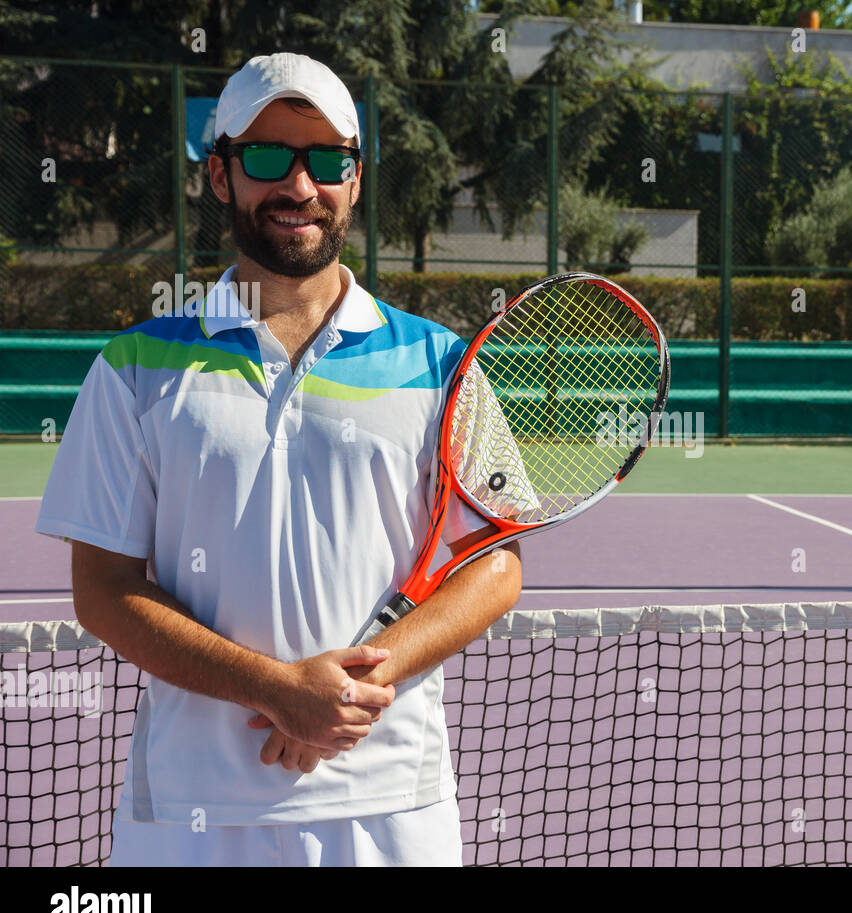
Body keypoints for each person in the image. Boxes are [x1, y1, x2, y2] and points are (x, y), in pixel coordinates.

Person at [34, 52, 521, 866]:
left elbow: (495, 563)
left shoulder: (441, 363)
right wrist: (275, 691)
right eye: (267, 157)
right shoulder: (134, 366)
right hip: (187, 817)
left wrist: (346, 690)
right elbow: (103, 590)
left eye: (327, 160)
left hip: (392, 810)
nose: (299, 186)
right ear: (221, 176)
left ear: (355, 179)